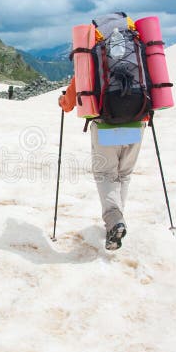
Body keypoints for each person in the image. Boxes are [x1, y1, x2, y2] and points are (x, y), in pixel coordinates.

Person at [58, 77, 146, 250]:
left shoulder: (92, 54)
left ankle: (115, 221)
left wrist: (63, 101)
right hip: (138, 121)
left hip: (106, 124)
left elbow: (69, 101)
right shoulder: (136, 52)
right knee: (124, 174)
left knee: (106, 174)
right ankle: (116, 221)